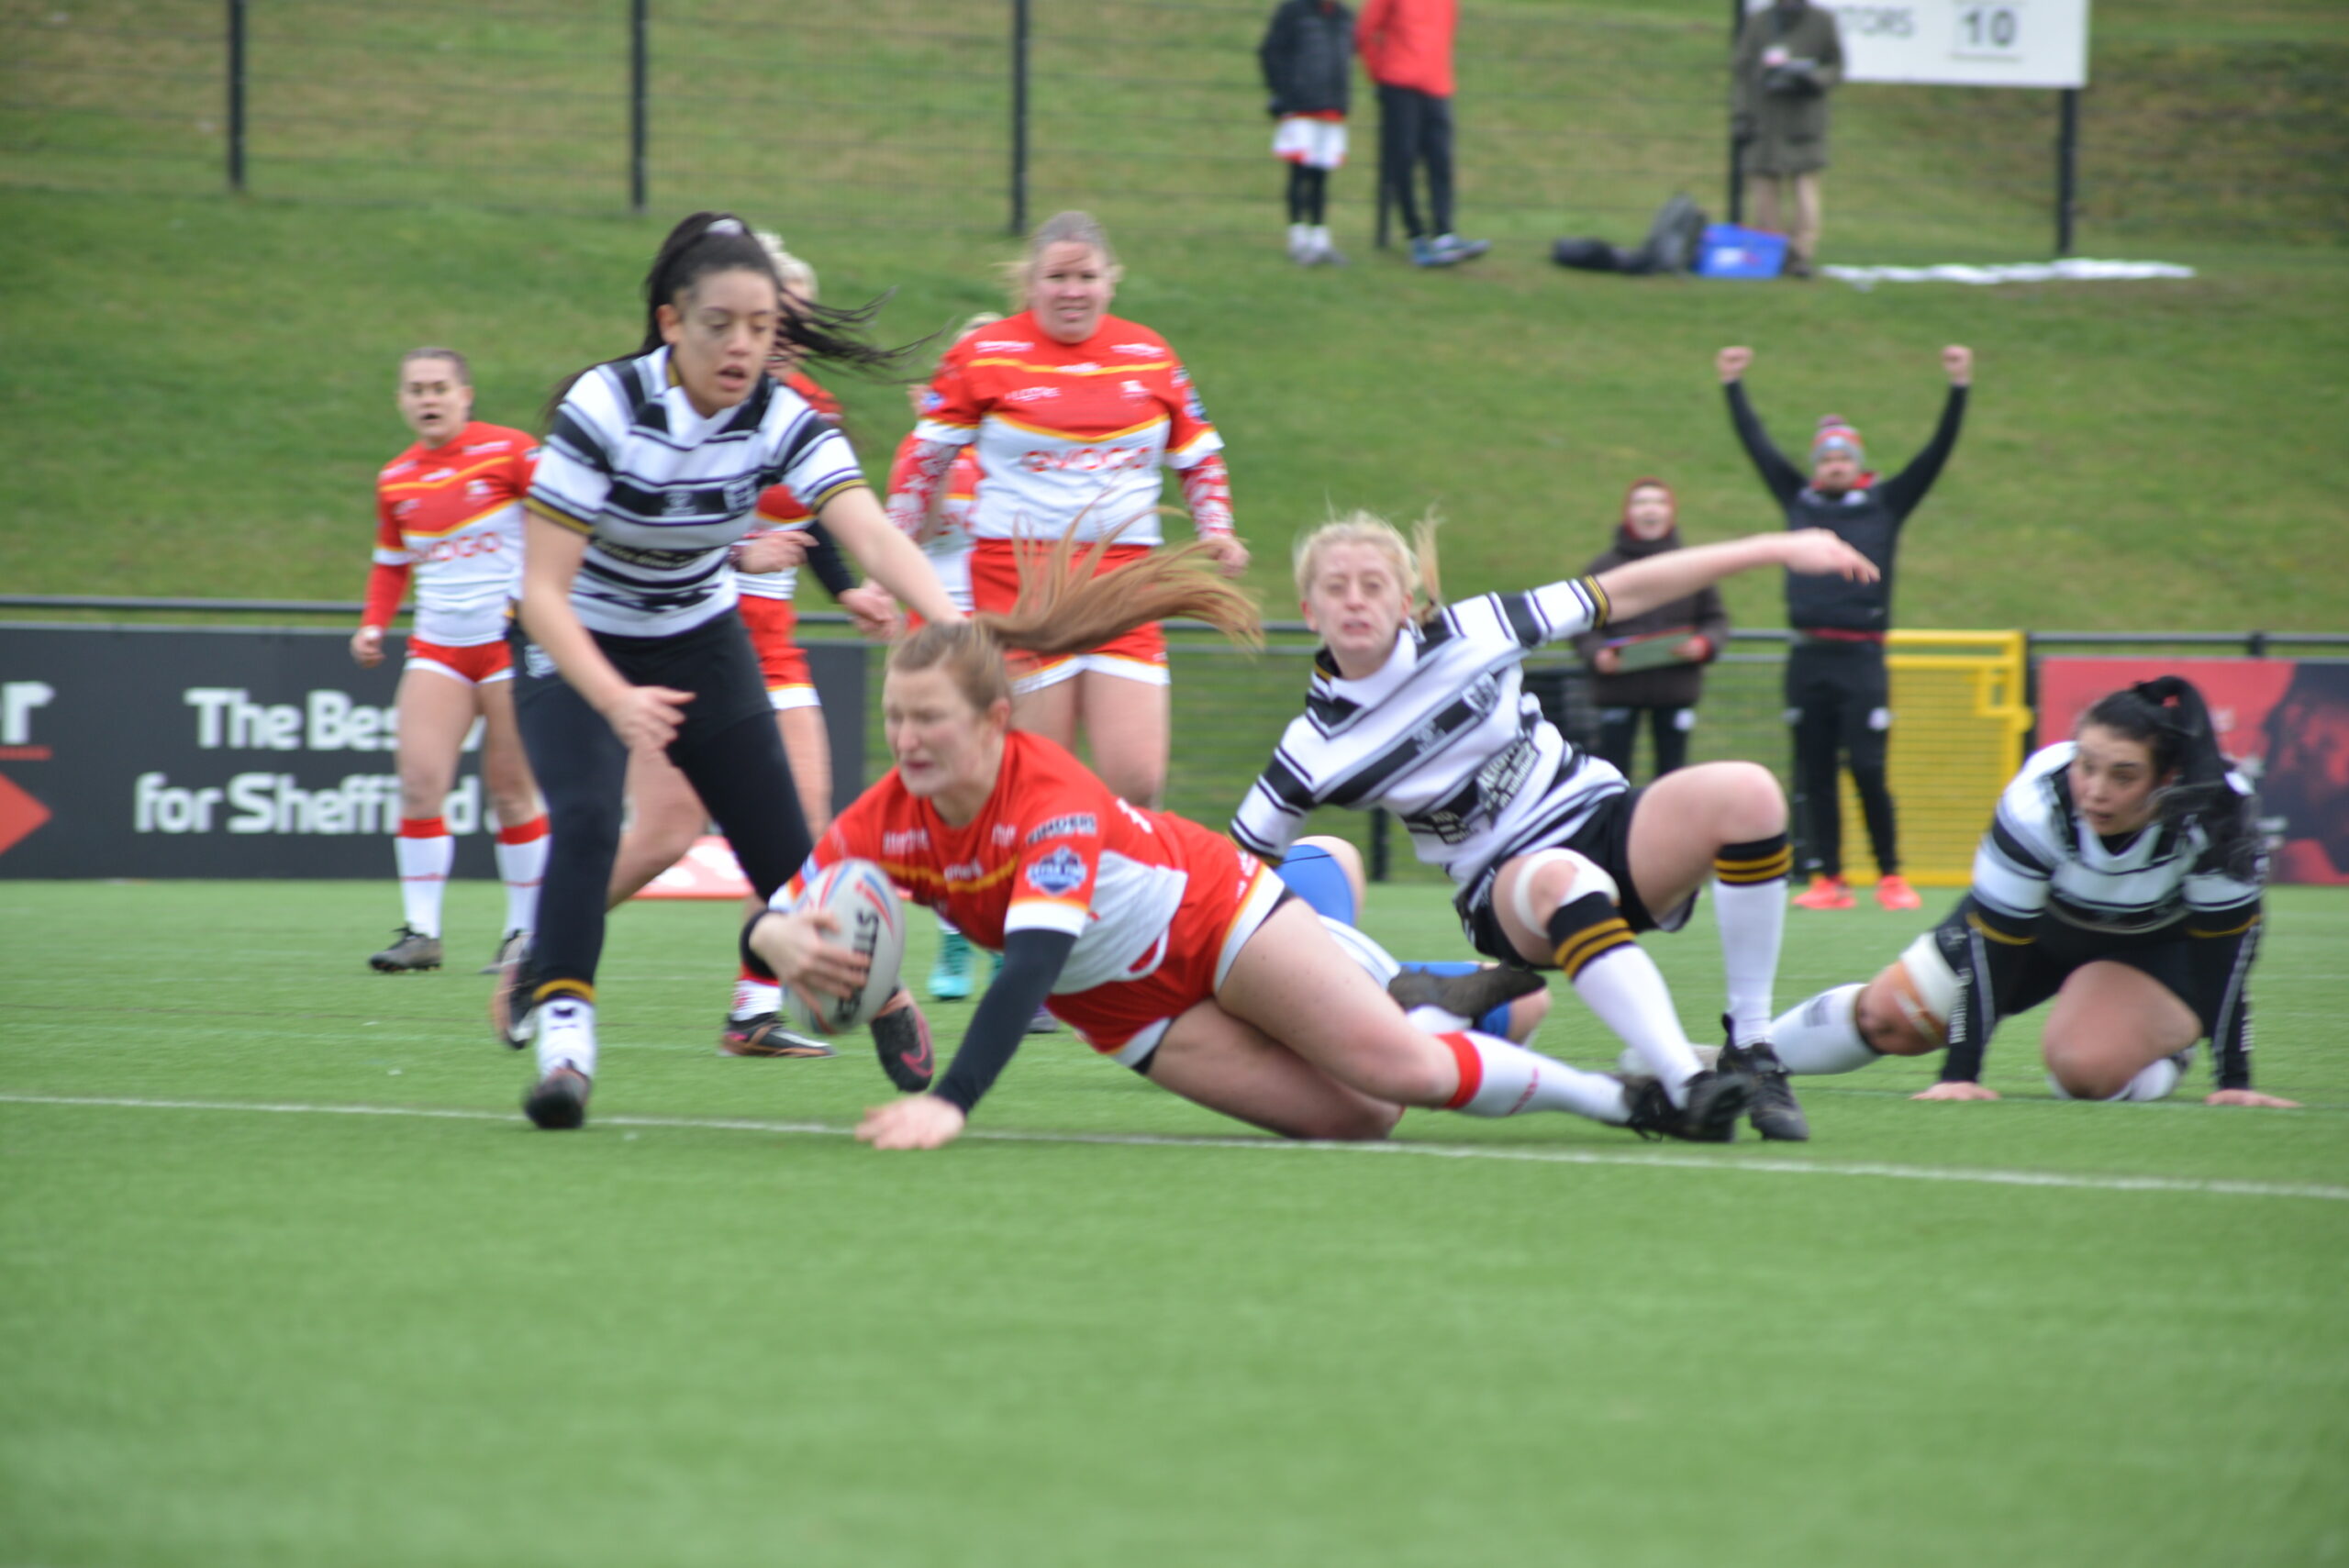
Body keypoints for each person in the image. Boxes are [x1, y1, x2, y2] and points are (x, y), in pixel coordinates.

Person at [750, 541, 1726, 1152]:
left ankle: (1623, 1097)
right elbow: (775, 908)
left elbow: (1029, 961)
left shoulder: (1046, 793)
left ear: (997, 720)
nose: (908, 741)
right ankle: (1411, 985)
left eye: (929, 720)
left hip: (1211, 912)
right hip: (1121, 1005)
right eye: (894, 720)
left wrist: (955, 1102)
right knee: (1359, 1119)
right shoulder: (886, 813)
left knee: (1404, 1073)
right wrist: (776, 941)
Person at [501, 210, 963, 1131]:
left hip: (700, 636)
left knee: (789, 856)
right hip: (576, 637)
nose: (743, 345)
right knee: (589, 819)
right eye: (721, 324)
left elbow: (866, 528)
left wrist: (954, 624)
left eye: (762, 327)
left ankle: (880, 993)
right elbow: (542, 594)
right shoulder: (603, 405)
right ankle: (565, 1043)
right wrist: (614, 698)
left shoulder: (785, 418)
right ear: (672, 322)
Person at [1234, 514, 1883, 1143]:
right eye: (1336, 587)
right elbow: (1230, 874)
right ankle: (1686, 1084)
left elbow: (1625, 590)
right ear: (1309, 609)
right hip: (1506, 889)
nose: (1355, 600)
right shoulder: (1313, 748)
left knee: (1750, 793)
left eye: (1372, 585)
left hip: (1602, 818)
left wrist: (1776, 545)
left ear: (1406, 601)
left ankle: (1752, 1045)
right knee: (1563, 879)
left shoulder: (1477, 627)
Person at [592, 234, 901, 1057]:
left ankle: (752, 1008)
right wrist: (738, 554)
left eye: (781, 326)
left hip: (776, 648)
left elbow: (823, 520)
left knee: (803, 830)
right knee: (661, 836)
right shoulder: (681, 405)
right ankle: (548, 948)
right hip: (695, 639)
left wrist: (852, 592)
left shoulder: (804, 413)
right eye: (763, 323)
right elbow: (654, 526)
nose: (766, 342)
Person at [1765, 678, 2299, 1108]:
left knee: (2084, 1073)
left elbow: (2225, 953)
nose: (2094, 789)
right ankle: (1747, 1053)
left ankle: (2163, 1050)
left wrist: (2235, 1079)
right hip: (2043, 931)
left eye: (2122, 776)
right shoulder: (2035, 804)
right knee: (1888, 1017)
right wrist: (1960, 1074)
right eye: (2086, 766)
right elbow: (1994, 943)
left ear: (2168, 778)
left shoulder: (2216, 815)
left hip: (2158, 947)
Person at [886, 211, 1248, 815]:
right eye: (1057, 277)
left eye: (1087, 276)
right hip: (1021, 582)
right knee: (1035, 781)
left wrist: (1218, 530)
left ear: (1112, 280)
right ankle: (1031, 902)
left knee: (1137, 778)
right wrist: (886, 568)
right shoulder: (985, 353)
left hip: (1123, 583)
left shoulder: (1149, 353)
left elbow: (1199, 455)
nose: (1073, 291)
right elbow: (922, 464)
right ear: (1031, 283)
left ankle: (1121, 899)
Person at [1717, 342, 1972, 912]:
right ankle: (1828, 879)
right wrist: (1732, 385)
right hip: (1807, 658)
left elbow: (1937, 452)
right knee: (1813, 769)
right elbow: (1756, 445)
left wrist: (1959, 388)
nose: (1834, 465)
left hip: (1862, 659)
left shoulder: (1885, 504)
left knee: (1867, 765)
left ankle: (1890, 876)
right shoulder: (1799, 501)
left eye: (1843, 458)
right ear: (1816, 465)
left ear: (1857, 464)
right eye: (1826, 458)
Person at [353, 346, 549, 975]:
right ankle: (422, 933)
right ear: (401, 400)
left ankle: (523, 934)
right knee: (418, 781)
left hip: (509, 643)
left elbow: (566, 522)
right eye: (416, 389)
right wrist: (373, 624)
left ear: (466, 394)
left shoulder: (511, 450)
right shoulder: (396, 478)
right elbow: (392, 563)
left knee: (512, 792)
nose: (428, 399)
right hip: (438, 645)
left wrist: (547, 600)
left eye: (440, 387)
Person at [888, 312, 1000, 1004]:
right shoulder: (930, 448)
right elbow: (907, 534)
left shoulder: (1036, 452)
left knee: (1007, 782)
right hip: (937, 639)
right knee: (945, 788)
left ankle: (1014, 935)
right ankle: (955, 929)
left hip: (1004, 636)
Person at [1275, 834, 1552, 1046]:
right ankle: (1362, 1036)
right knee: (1524, 998)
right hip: (1300, 976)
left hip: (1283, 933)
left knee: (1330, 850)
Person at [1570, 479, 1729, 784]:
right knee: (1611, 775)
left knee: (1673, 777)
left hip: (1675, 688)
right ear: (1627, 512)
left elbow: (1716, 620)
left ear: (1671, 512)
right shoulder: (1603, 567)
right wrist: (1597, 654)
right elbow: (1581, 625)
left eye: (1658, 502)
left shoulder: (1694, 566)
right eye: (1641, 502)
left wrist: (1704, 643)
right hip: (1617, 689)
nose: (1649, 510)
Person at [1357, 0, 1488, 268]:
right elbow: (1365, 31)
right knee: (1403, 159)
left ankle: (1444, 233)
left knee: (1441, 159)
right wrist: (1380, 75)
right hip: (1399, 84)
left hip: (1437, 86)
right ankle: (1415, 236)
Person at [1730, 0, 1843, 279]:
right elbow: (1743, 71)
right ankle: (1773, 253)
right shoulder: (1759, 22)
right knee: (1763, 188)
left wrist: (1811, 79)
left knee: (1805, 187)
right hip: (1764, 118)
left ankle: (1801, 255)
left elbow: (1837, 66)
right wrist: (1742, 116)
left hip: (1803, 118)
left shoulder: (1822, 21)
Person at [1259, 0, 1354, 267]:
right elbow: (1270, 51)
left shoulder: (1344, 16)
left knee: (1322, 176)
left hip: (1332, 109)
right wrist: (1281, 93)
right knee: (1299, 173)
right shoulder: (1293, 11)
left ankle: (1320, 239)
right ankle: (1298, 239)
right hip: (1300, 108)